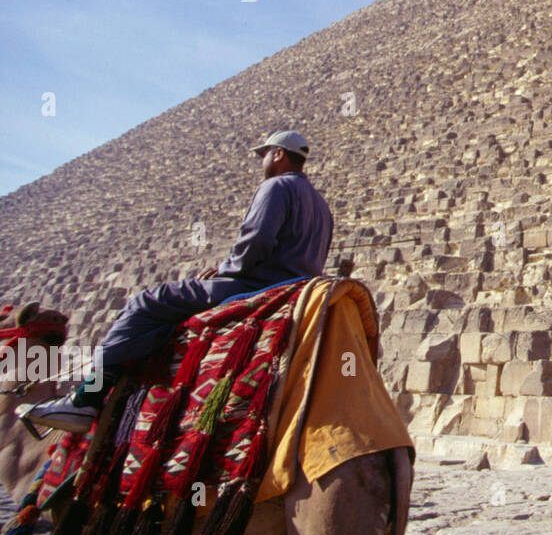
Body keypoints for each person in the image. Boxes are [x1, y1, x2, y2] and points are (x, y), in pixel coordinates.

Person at [21, 130, 334, 433]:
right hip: (298, 288)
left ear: (278, 154)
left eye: (264, 154)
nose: (261, 162)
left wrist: (227, 269)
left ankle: (86, 399)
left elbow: (258, 239)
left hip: (256, 286)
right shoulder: (322, 206)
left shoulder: (277, 187)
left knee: (146, 302)